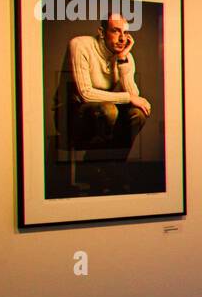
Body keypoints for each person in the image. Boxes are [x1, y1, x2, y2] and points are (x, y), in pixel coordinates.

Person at [57, 11, 152, 188]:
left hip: (104, 116)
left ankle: (110, 167)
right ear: (101, 32)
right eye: (116, 31)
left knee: (138, 113)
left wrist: (123, 60)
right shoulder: (80, 45)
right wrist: (128, 97)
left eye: (125, 33)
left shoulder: (125, 55)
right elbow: (85, 94)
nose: (122, 38)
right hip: (71, 114)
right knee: (110, 110)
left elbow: (134, 95)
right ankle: (95, 168)